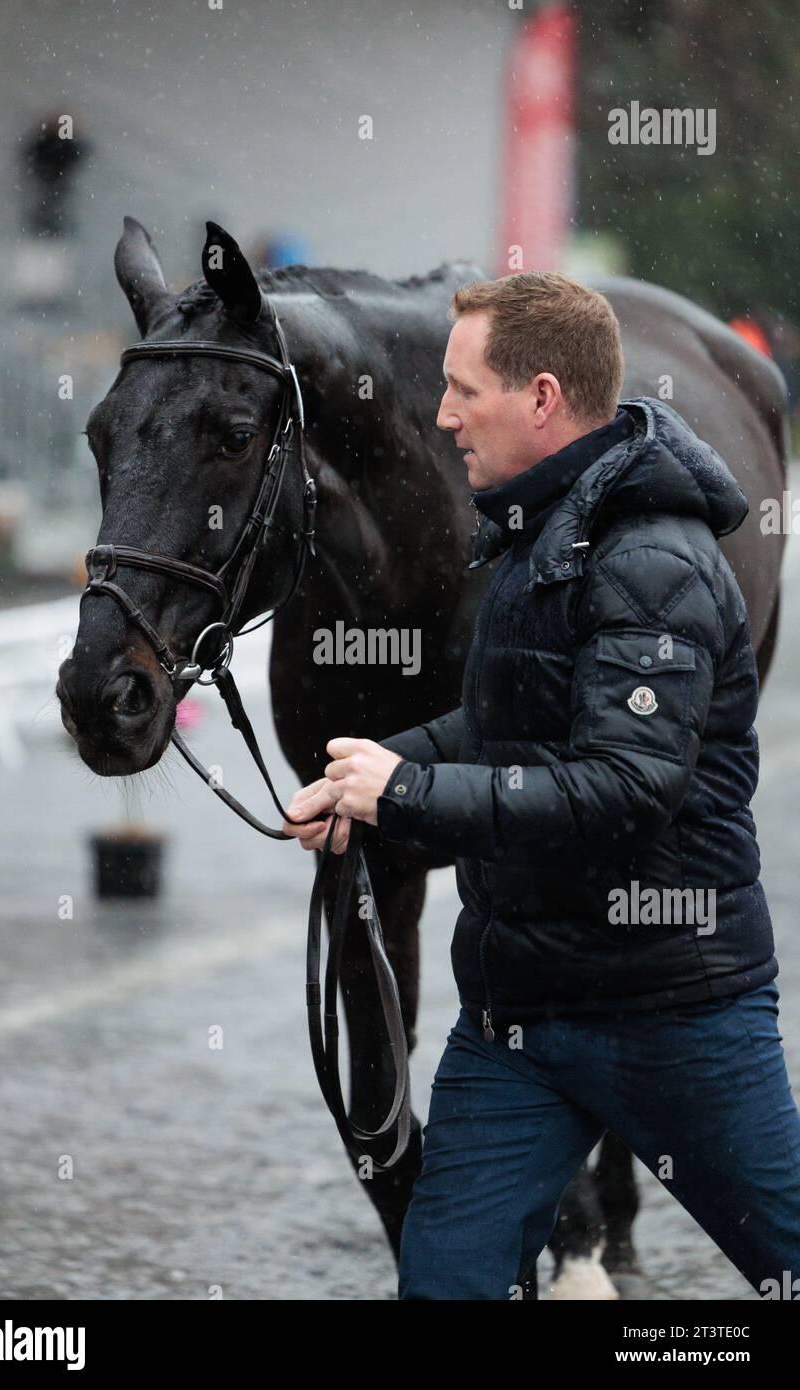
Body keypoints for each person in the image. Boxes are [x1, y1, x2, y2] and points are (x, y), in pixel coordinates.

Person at [282, 271, 800, 1300]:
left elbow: (619, 789)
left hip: (674, 1017)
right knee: (445, 1285)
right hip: (515, 1022)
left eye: (462, 390)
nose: (440, 414)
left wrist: (406, 798)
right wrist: (369, 773)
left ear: (541, 398)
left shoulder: (651, 562)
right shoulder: (528, 534)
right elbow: (512, 722)